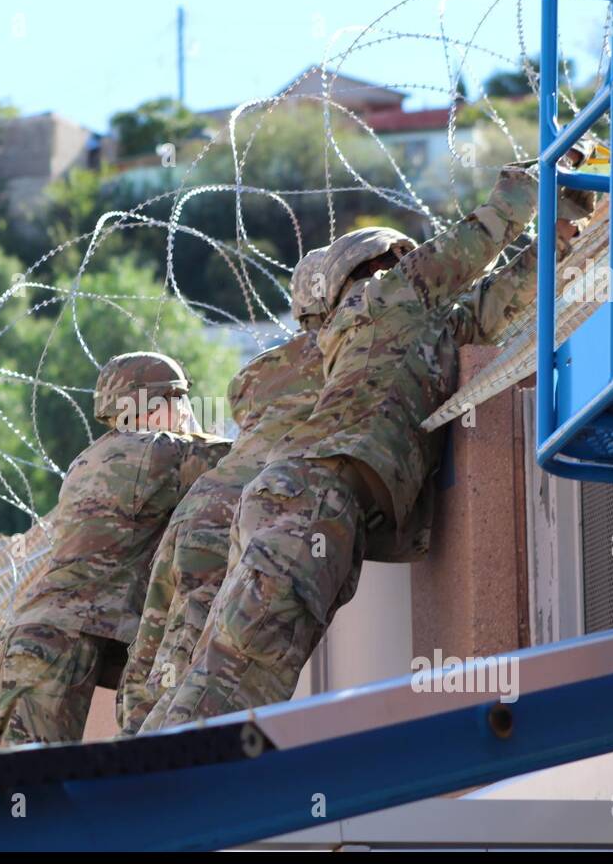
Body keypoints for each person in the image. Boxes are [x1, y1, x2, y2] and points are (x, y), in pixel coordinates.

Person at [154, 164, 595, 727]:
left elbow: (502, 299)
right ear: (364, 276)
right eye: (394, 261)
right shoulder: (381, 299)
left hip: (316, 504)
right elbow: (479, 238)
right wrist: (536, 178)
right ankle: (155, 790)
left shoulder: (421, 332)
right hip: (310, 498)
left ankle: (149, 778)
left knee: (236, 666)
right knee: (242, 670)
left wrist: (564, 227)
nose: (404, 269)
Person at [117, 234, 412, 735]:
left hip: (204, 506)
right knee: (225, 670)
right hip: (260, 508)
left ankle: (129, 763)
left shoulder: (262, 370)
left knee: (167, 664)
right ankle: (167, 781)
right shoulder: (356, 338)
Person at [0, 352, 230, 749]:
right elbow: (245, 460)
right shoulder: (162, 452)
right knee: (34, 788)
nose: (188, 412)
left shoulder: (88, 460)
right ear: (160, 404)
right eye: (181, 401)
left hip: (28, 637)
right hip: (58, 643)